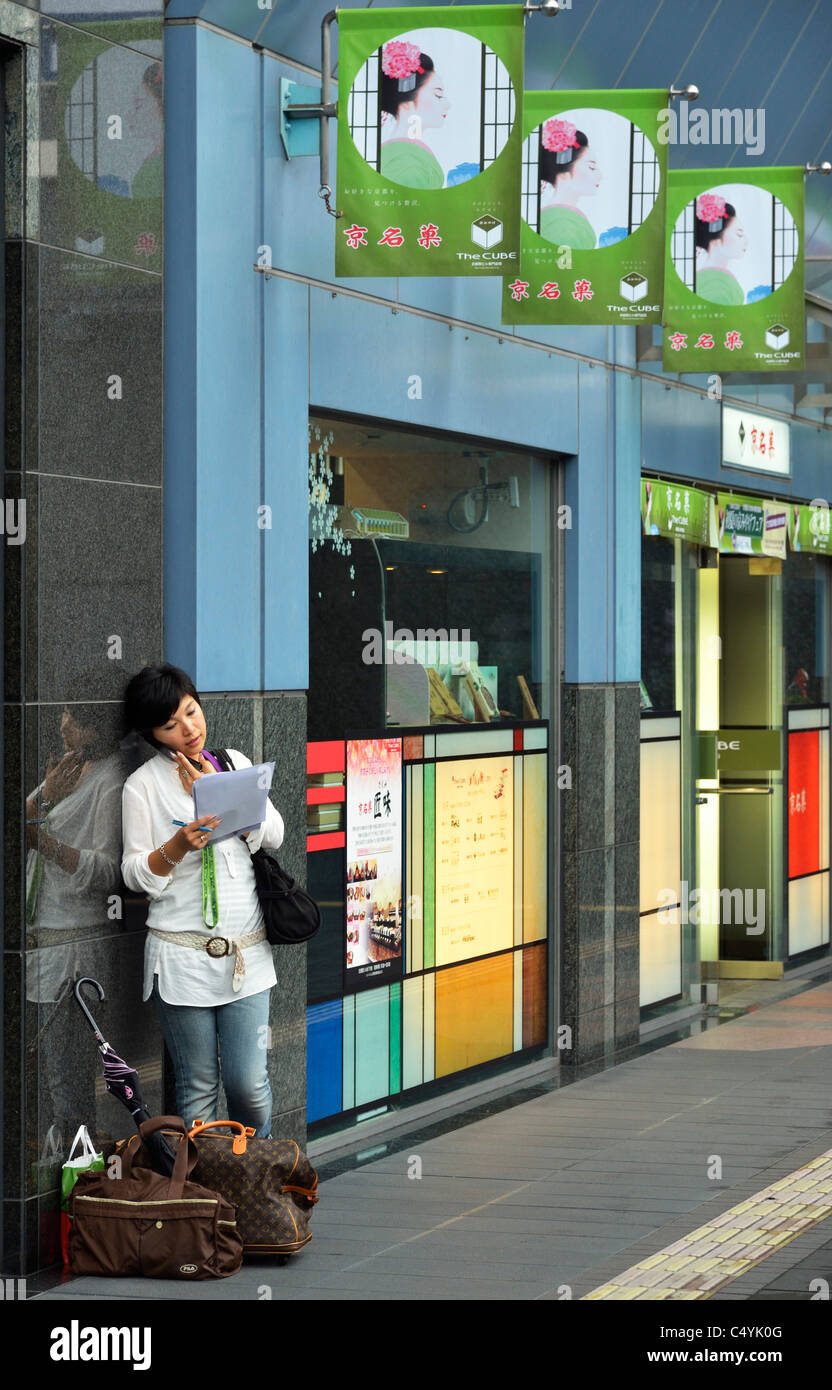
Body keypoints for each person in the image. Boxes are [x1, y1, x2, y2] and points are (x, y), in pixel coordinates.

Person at [121, 663, 284, 1137]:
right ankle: (207, 1204)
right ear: (152, 732)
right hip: (182, 959)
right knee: (197, 1090)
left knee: (248, 1085)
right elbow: (133, 872)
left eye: (191, 711)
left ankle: (257, 1186)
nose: (189, 728)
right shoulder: (143, 786)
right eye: (171, 724)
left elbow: (275, 833)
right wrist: (175, 848)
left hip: (246, 956)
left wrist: (223, 796)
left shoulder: (231, 761)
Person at [379, 40, 449, 189]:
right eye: (438, 95)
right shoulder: (405, 162)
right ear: (407, 99)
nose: (447, 105)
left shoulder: (401, 153)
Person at [538, 118, 600, 249]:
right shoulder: (561, 223)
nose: (600, 176)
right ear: (564, 174)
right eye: (591, 168)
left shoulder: (559, 217)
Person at [694, 193, 746, 305]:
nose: (746, 241)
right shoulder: (715, 284)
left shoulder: (713, 277)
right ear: (716, 239)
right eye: (739, 234)